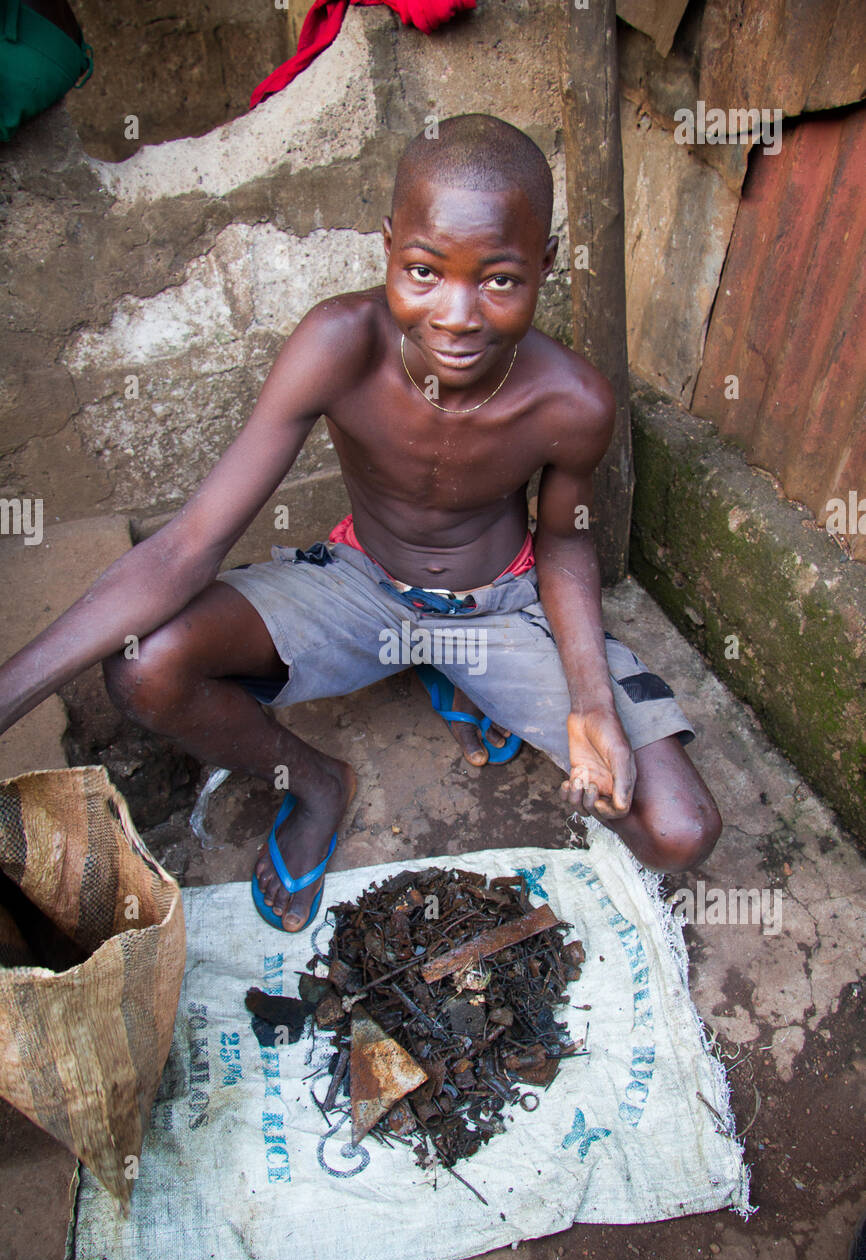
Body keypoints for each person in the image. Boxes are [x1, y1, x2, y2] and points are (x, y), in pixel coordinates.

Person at [0, 113, 721, 931]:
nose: (456, 316)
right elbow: (187, 545)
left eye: (500, 280)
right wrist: (10, 693)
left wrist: (590, 699)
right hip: (360, 583)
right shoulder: (338, 344)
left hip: (502, 608)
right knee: (144, 669)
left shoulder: (574, 401)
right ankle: (314, 782)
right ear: (387, 246)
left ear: (545, 266)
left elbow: (562, 539)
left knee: (679, 831)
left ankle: (458, 667)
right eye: (423, 271)